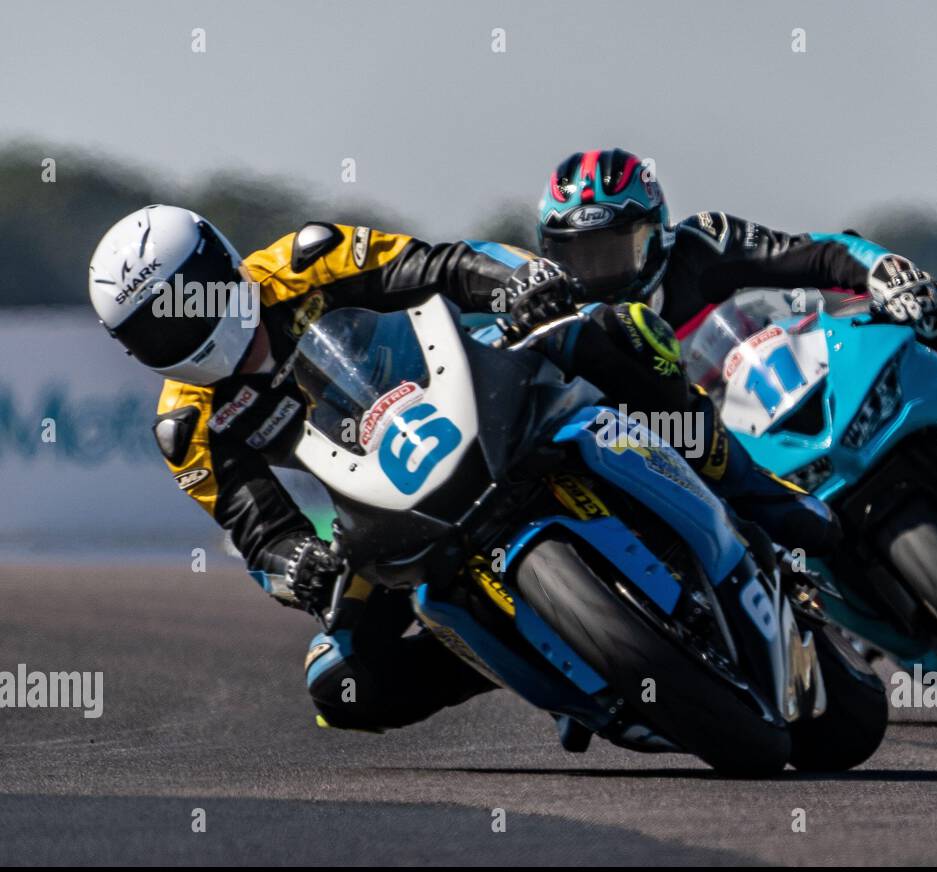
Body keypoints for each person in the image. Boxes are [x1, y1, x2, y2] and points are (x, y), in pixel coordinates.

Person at [87, 205, 835, 733]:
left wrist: (512, 285)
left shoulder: (302, 260)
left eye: (191, 295)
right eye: (158, 324)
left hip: (484, 388)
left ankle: (752, 492)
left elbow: (436, 264)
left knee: (617, 335)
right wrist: (299, 567)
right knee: (340, 687)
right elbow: (260, 533)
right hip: (384, 506)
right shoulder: (188, 427)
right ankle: (523, 656)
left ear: (220, 260)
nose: (187, 320)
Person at [536, 148, 937, 491]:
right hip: (716, 458)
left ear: (658, 234)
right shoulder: (567, 332)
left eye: (615, 253)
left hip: (794, 369)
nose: (600, 276)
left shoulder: (703, 243)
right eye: (580, 259)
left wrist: (890, 274)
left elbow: (817, 253)